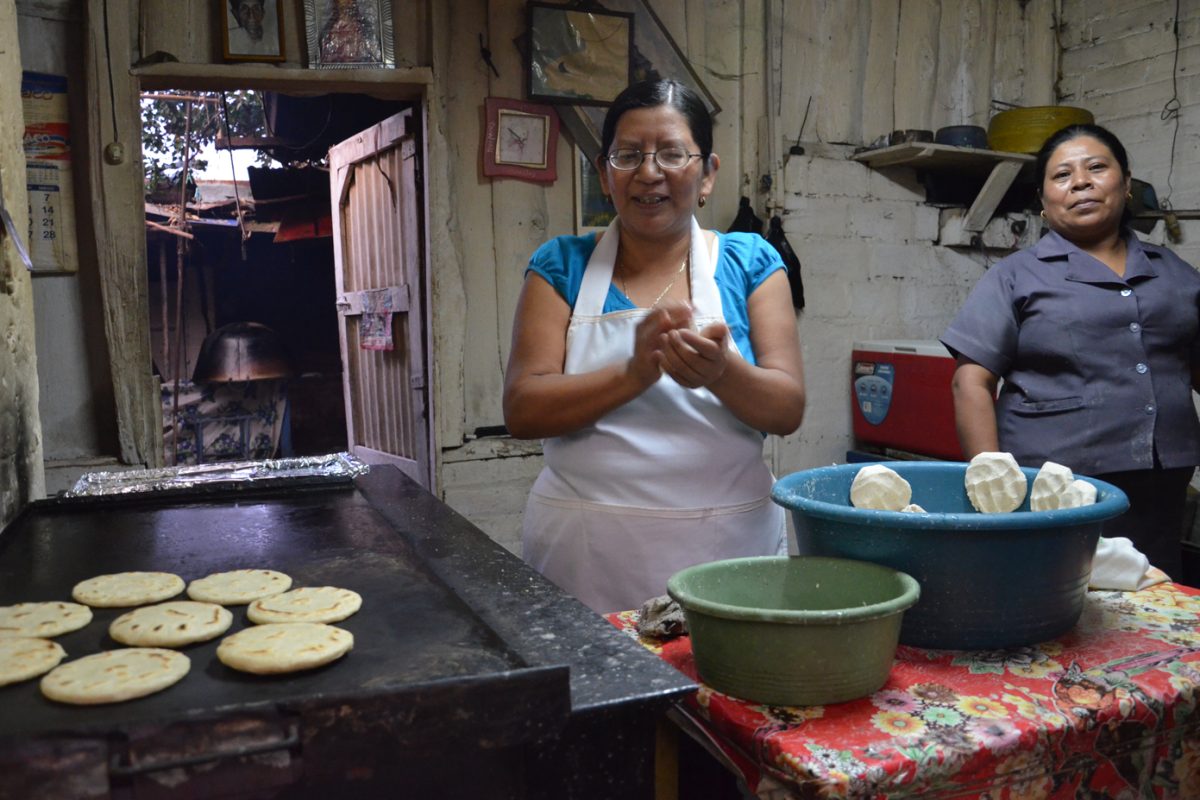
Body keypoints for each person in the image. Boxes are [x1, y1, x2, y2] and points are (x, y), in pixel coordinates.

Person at [503, 79, 806, 614]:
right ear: (604, 173)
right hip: (586, 558)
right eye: (628, 155)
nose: (649, 172)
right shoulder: (562, 265)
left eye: (671, 153)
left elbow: (786, 409)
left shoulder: (750, 263)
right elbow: (524, 409)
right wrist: (632, 375)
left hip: (725, 554)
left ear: (708, 173)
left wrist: (721, 373)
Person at [941, 123, 1200, 577]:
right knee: (1055, 599)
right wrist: (991, 486)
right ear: (1043, 203)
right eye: (1062, 175)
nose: (1081, 181)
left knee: (1153, 604)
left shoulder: (1173, 272)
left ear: (1125, 181)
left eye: (1097, 167)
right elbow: (972, 382)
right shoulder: (1017, 277)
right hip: (1055, 486)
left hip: (1160, 485)